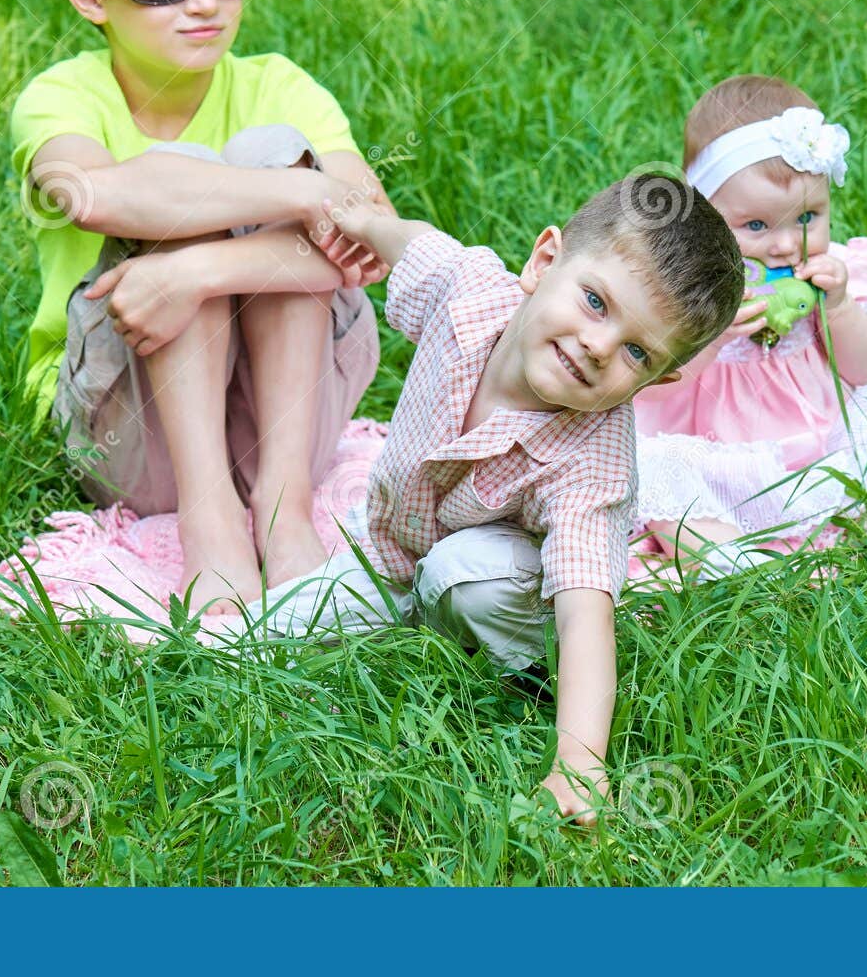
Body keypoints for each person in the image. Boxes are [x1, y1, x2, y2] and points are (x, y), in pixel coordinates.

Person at [9, 0, 387, 615]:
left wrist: (194, 271)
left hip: (286, 422)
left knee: (274, 150)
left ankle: (284, 516)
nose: (206, 1)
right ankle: (210, 526)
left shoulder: (279, 85)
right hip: (134, 436)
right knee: (185, 174)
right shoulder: (61, 96)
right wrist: (298, 199)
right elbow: (96, 197)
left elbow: (374, 240)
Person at [296, 172, 743, 822]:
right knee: (263, 631)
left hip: (509, 587)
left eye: (637, 352)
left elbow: (584, 613)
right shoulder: (470, 294)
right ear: (543, 261)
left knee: (461, 576)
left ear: (660, 378)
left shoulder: (595, 462)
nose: (598, 346)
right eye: (596, 302)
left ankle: (521, 673)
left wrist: (579, 765)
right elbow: (418, 245)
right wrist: (366, 224)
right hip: (393, 548)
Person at [631, 74, 867, 577]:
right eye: (754, 226)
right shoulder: (687, 291)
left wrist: (838, 308)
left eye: (807, 218)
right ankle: (738, 567)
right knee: (665, 488)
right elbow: (658, 390)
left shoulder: (838, 273)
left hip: (824, 433)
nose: (783, 245)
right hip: (720, 448)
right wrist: (713, 334)